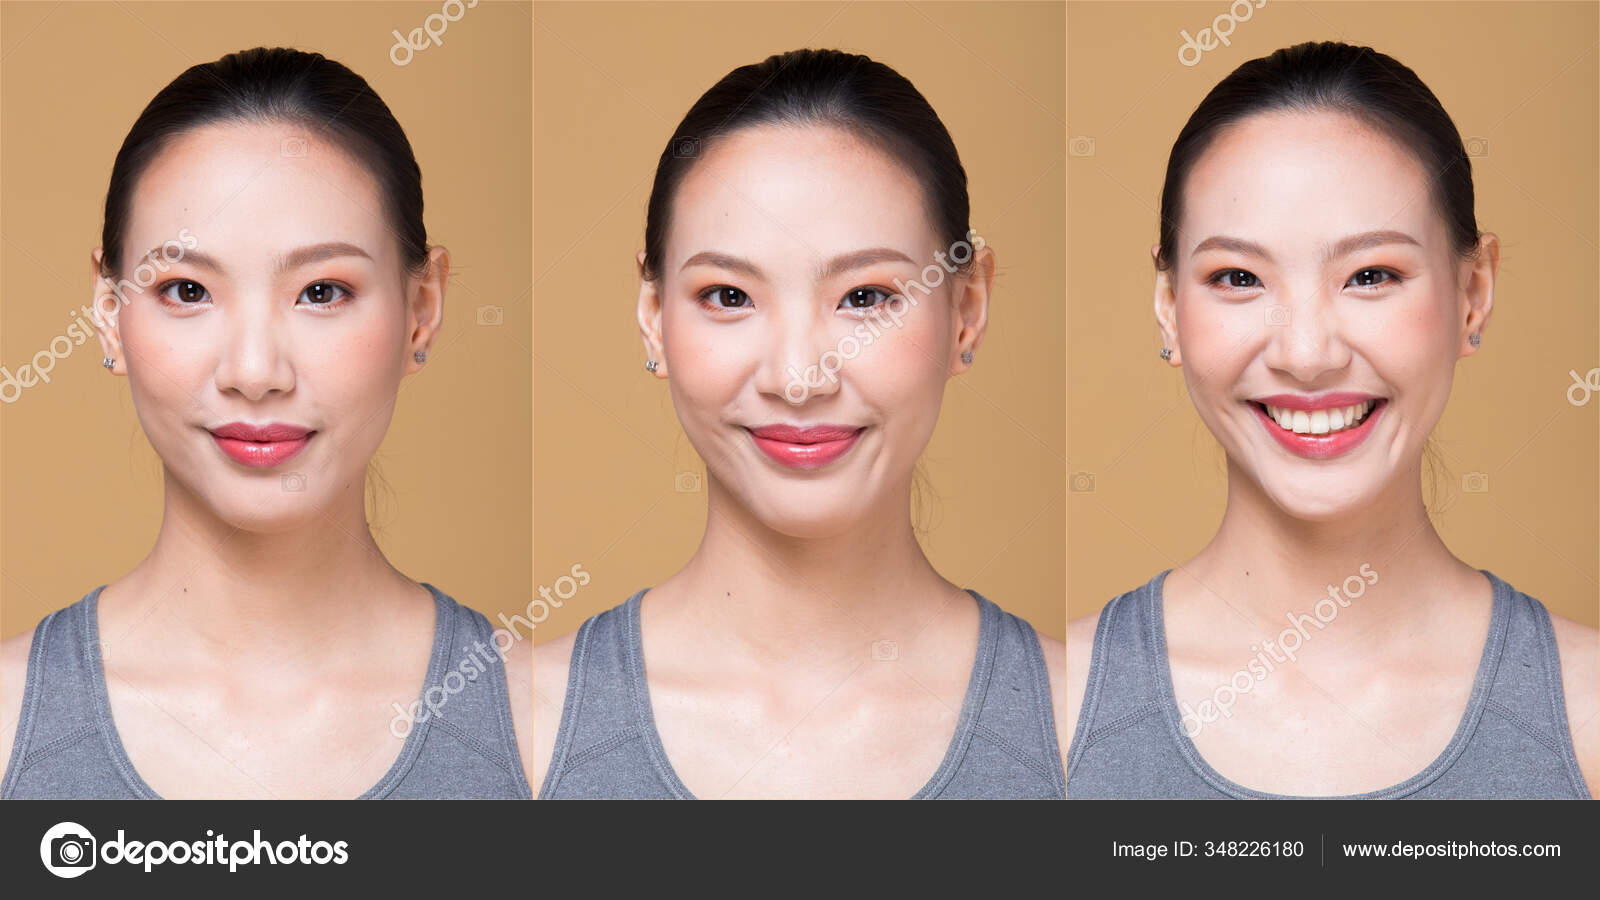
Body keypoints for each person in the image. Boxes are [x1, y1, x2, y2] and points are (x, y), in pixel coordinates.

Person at [1066, 41, 1597, 799]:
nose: (1308, 355)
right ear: (1168, 307)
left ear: (1473, 291)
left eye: (1372, 275)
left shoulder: (1587, 718)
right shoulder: (1054, 716)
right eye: (1238, 278)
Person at [0, 47, 531, 799]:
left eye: (321, 291)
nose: (254, 373)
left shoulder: (541, 721)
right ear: (108, 312)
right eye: (186, 288)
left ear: (423, 308)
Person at [534, 48, 1065, 799]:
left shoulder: (1085, 725)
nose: (797, 378)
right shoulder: (524, 724)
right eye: (727, 295)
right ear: (653, 318)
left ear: (967, 309)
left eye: (866, 297)